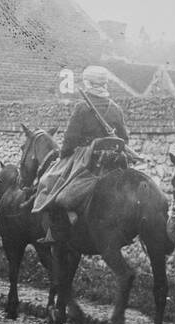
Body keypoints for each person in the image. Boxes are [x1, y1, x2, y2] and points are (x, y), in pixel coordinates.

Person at [31, 65, 127, 221]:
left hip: (85, 158)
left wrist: (63, 155)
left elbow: (70, 141)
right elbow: (124, 139)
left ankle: (56, 233)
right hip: (113, 160)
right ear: (105, 84)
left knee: (47, 180)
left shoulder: (82, 107)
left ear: (88, 84)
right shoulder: (116, 109)